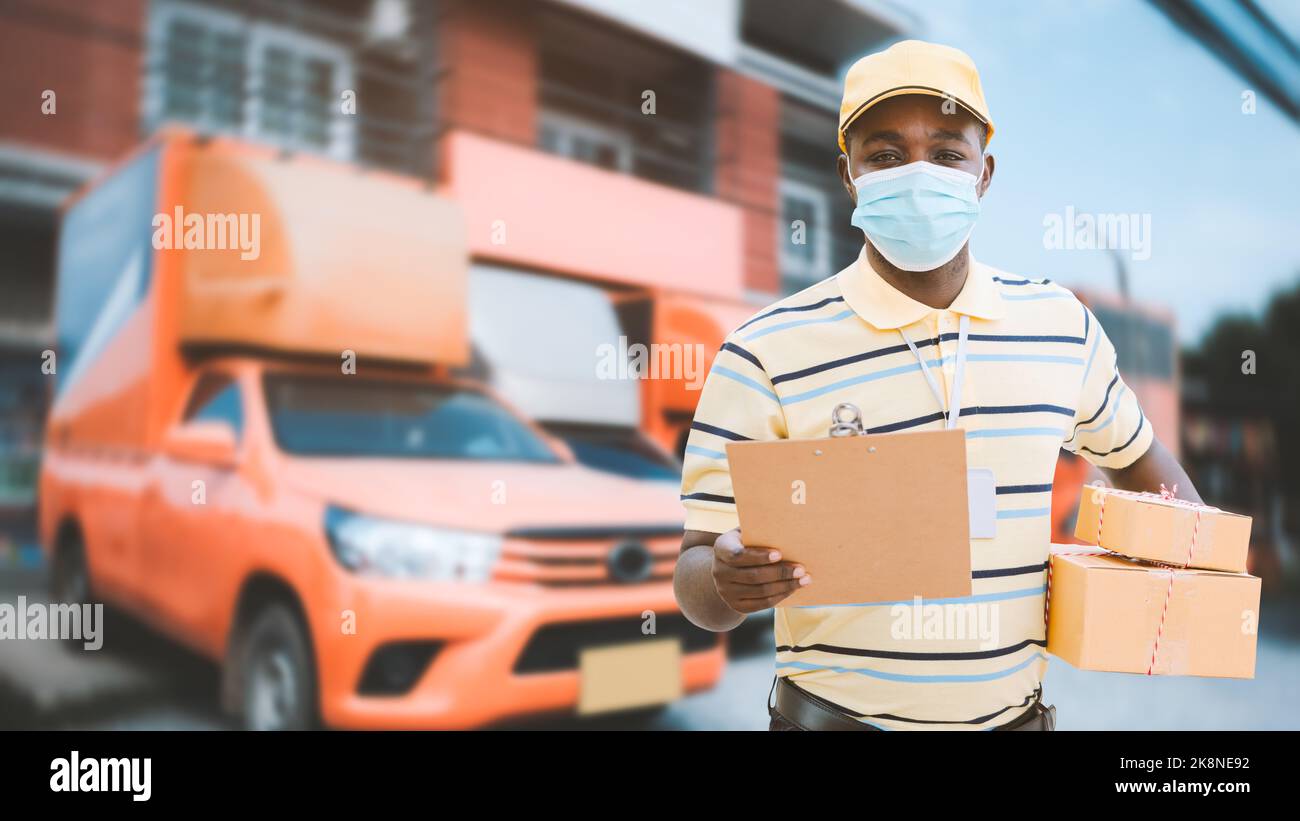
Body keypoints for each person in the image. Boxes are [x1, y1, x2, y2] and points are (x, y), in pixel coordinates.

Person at [673, 40, 1203, 731]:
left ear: (984, 173)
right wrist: (724, 580)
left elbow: (1153, 478)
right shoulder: (765, 351)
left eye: (947, 152)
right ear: (848, 174)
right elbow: (695, 576)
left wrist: (1193, 583)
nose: (918, 175)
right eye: (886, 155)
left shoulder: (1060, 327)